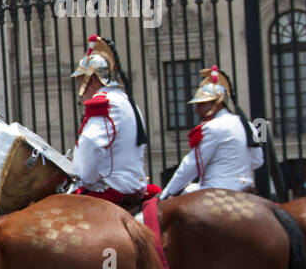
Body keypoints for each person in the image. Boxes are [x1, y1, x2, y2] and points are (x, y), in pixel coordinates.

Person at [69, 35, 150, 208]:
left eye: (79, 80)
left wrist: (85, 180)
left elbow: (91, 143)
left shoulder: (103, 102)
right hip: (133, 183)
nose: (77, 88)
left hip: (113, 188)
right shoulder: (126, 100)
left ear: (89, 80)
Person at [161, 66, 265, 198]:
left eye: (201, 104)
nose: (196, 110)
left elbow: (192, 165)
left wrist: (166, 192)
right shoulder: (250, 125)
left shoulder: (211, 127)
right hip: (246, 191)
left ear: (218, 102)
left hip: (216, 191)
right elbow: (258, 160)